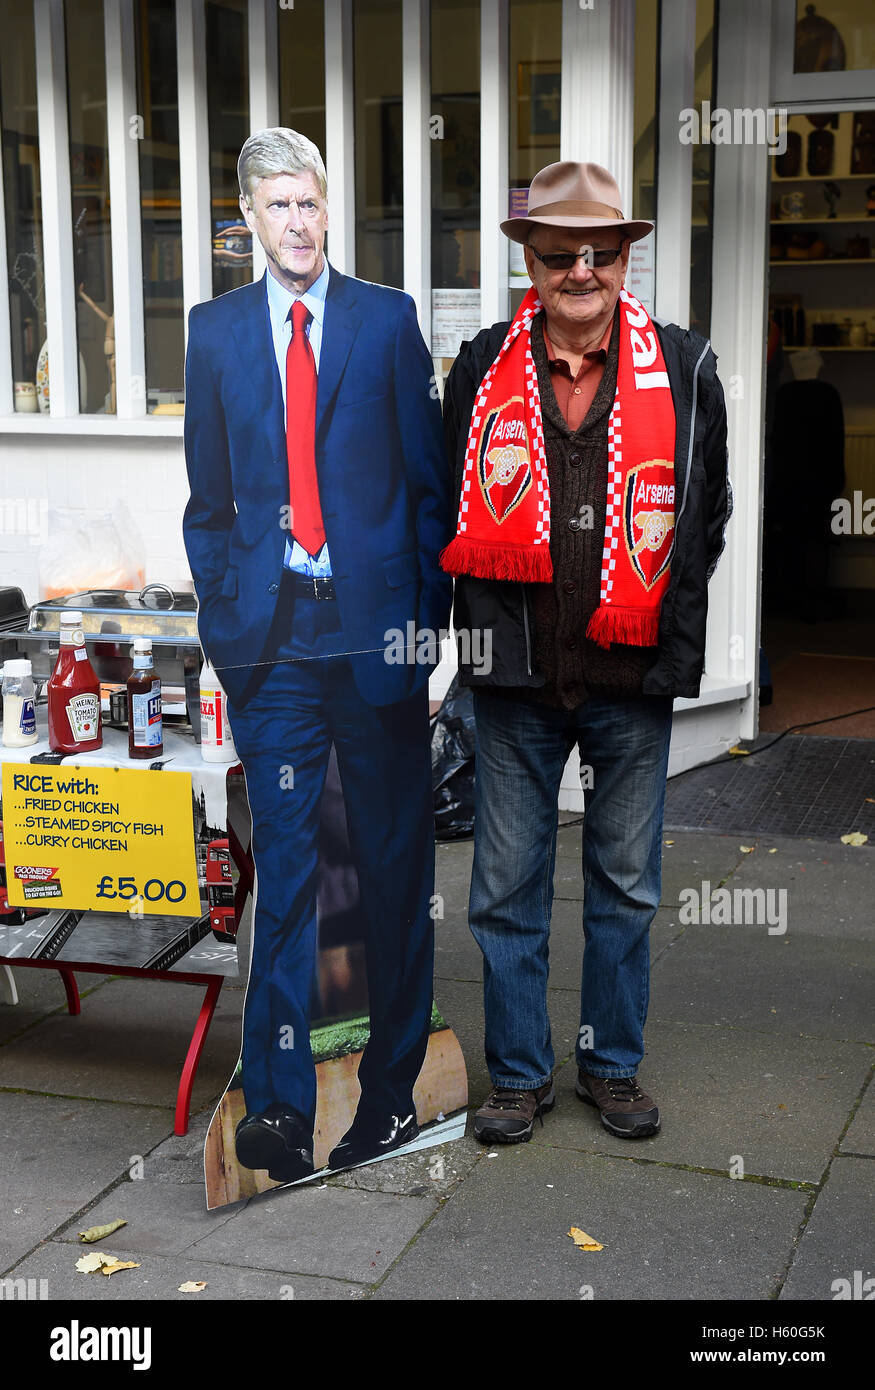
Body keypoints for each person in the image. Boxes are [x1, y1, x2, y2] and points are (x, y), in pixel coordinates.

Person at [441, 161, 731, 1144]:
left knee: (624, 887)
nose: (579, 269)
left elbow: (706, 513)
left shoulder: (685, 368)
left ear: (621, 256)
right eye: (558, 251)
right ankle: (517, 1074)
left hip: (627, 677)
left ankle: (610, 1067)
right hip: (514, 681)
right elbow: (446, 503)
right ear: (530, 258)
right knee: (504, 888)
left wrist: (642, 603)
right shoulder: (478, 366)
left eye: (597, 251)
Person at [183, 128, 452, 1182]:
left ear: (329, 212)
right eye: (276, 207)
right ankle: (282, 1111)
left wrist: (421, 636)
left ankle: (387, 1099)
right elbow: (209, 502)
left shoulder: (386, 322)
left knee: (390, 870)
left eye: (310, 204)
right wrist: (225, 627)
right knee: (286, 873)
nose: (296, 224)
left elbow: (427, 498)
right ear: (247, 218)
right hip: (273, 649)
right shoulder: (214, 336)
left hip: (373, 638)